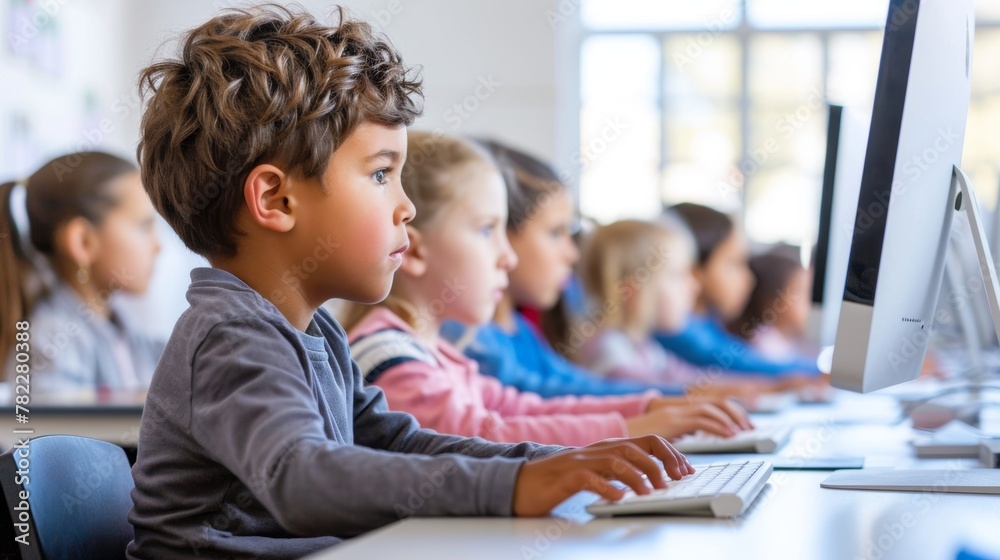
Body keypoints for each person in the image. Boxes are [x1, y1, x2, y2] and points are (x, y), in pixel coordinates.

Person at [126, 7, 694, 559]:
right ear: (276, 199)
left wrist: (545, 464)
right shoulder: (229, 334)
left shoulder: (312, 329)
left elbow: (394, 441)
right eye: (380, 174)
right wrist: (515, 488)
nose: (407, 208)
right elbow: (303, 479)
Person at [343, 132, 752, 447]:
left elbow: (522, 407)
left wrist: (645, 407)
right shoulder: (391, 357)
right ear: (414, 249)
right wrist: (630, 426)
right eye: (487, 230)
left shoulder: (434, 351)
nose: (507, 256)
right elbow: (478, 436)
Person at [0, 152, 163, 392]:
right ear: (83, 242)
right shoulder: (51, 342)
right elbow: (49, 429)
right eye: (144, 226)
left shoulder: (126, 330)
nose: (158, 245)